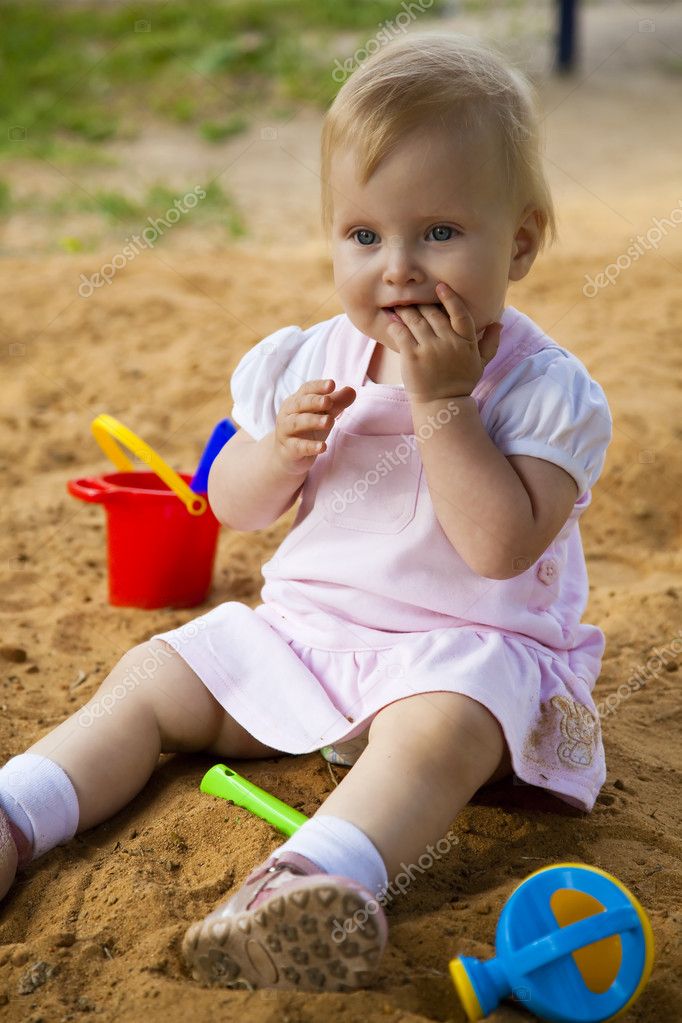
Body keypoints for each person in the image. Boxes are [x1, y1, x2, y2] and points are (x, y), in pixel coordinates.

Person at [0, 31, 613, 994]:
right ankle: (18, 811)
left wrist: (444, 404)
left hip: (459, 655)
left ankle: (312, 878)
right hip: (308, 638)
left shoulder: (540, 389)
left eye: (440, 233)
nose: (398, 268)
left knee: (441, 728)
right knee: (153, 672)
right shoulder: (309, 358)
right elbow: (234, 509)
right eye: (365, 237)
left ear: (522, 241)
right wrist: (276, 451)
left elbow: (498, 547)